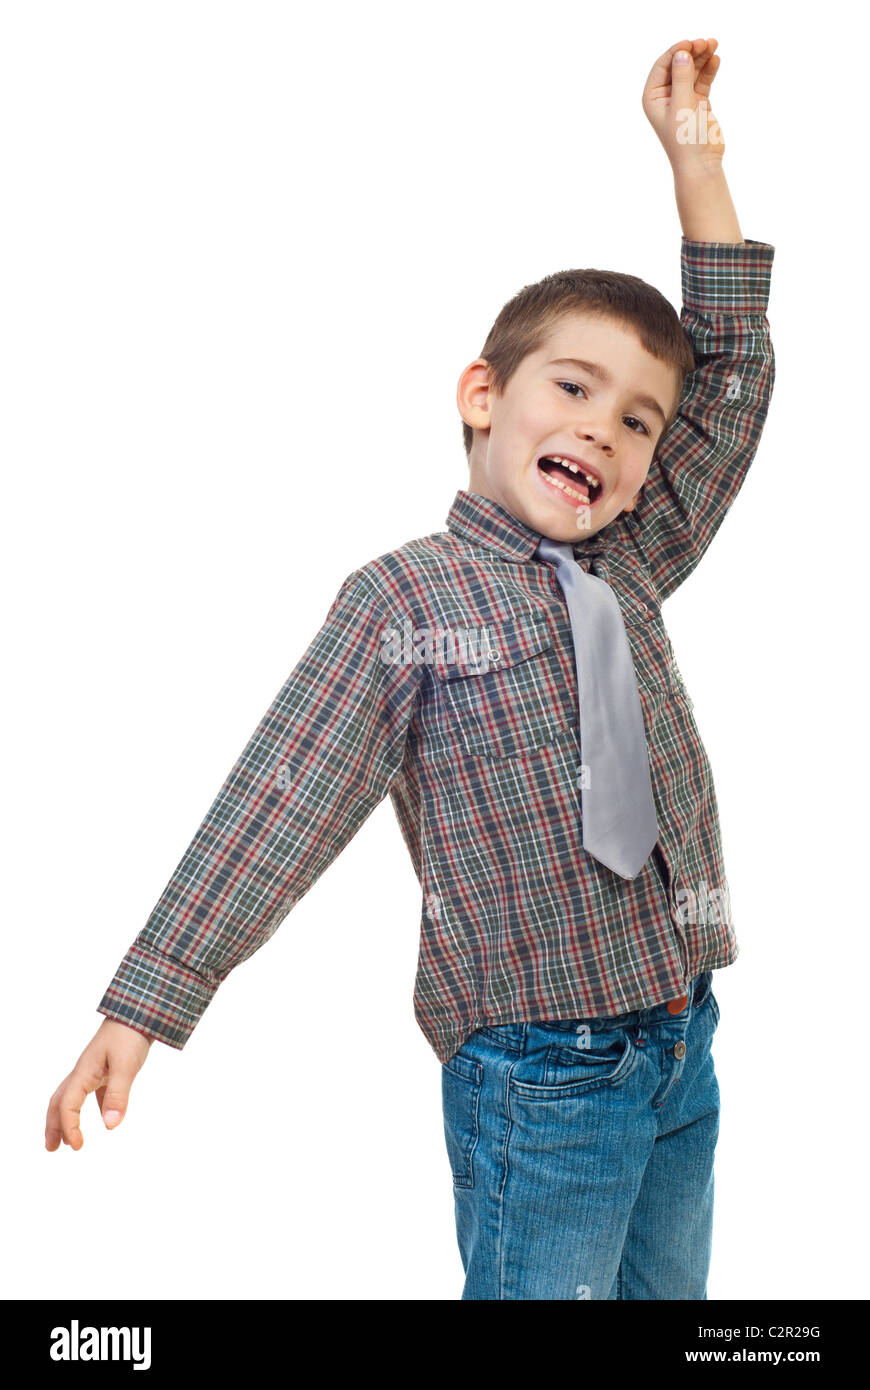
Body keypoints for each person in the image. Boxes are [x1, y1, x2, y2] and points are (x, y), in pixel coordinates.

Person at [45, 37, 775, 1300]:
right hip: (539, 1077)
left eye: (638, 420)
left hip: (682, 1038)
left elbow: (735, 367)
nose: (603, 427)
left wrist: (694, 152)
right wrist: (146, 1005)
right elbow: (282, 799)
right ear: (484, 395)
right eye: (574, 387)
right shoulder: (404, 600)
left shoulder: (636, 556)